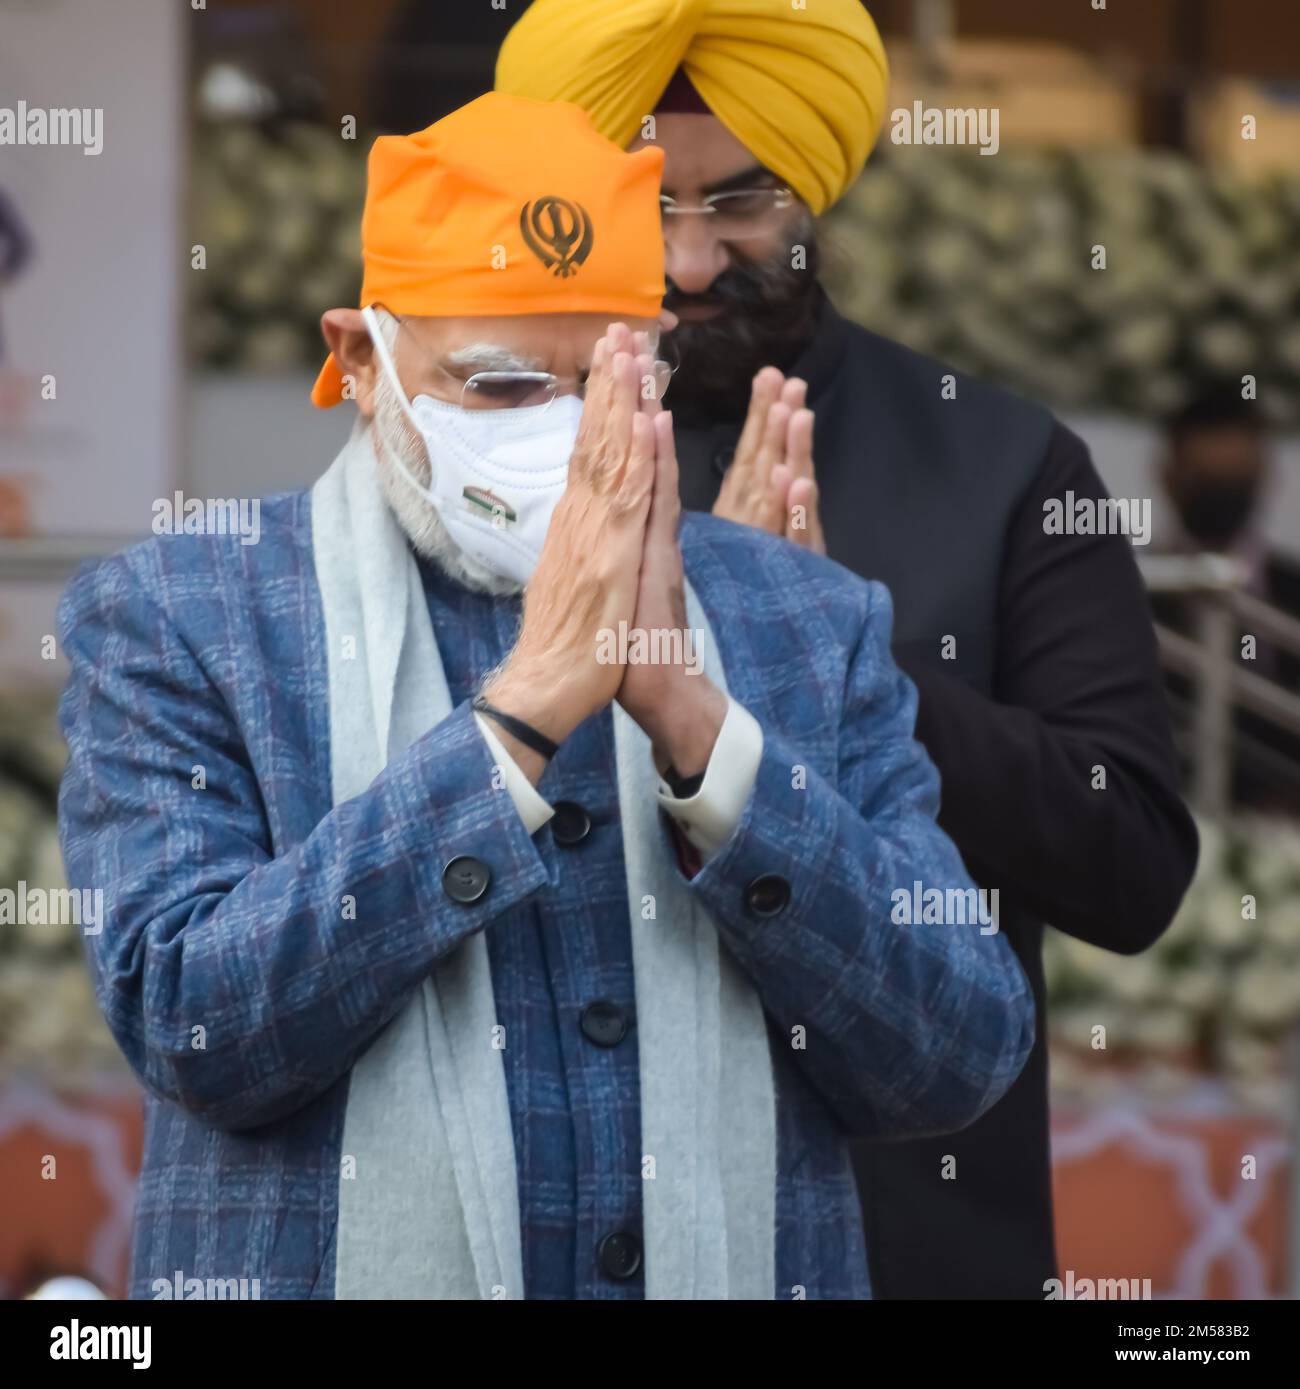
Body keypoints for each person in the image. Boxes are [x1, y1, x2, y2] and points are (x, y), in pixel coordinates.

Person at [57, 92, 1033, 1300]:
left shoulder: (804, 620)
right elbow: (189, 1025)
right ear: (363, 361)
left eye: (608, 388)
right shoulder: (183, 613)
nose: (569, 447)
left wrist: (704, 736)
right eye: (504, 387)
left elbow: (959, 1053)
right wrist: (514, 722)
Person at [497, 0, 1200, 1297]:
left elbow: (1136, 864)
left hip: (906, 1238)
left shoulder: (1004, 465)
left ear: (815, 193)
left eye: (743, 205)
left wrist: (842, 664)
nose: (695, 262)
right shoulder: (486, 456)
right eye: (648, 205)